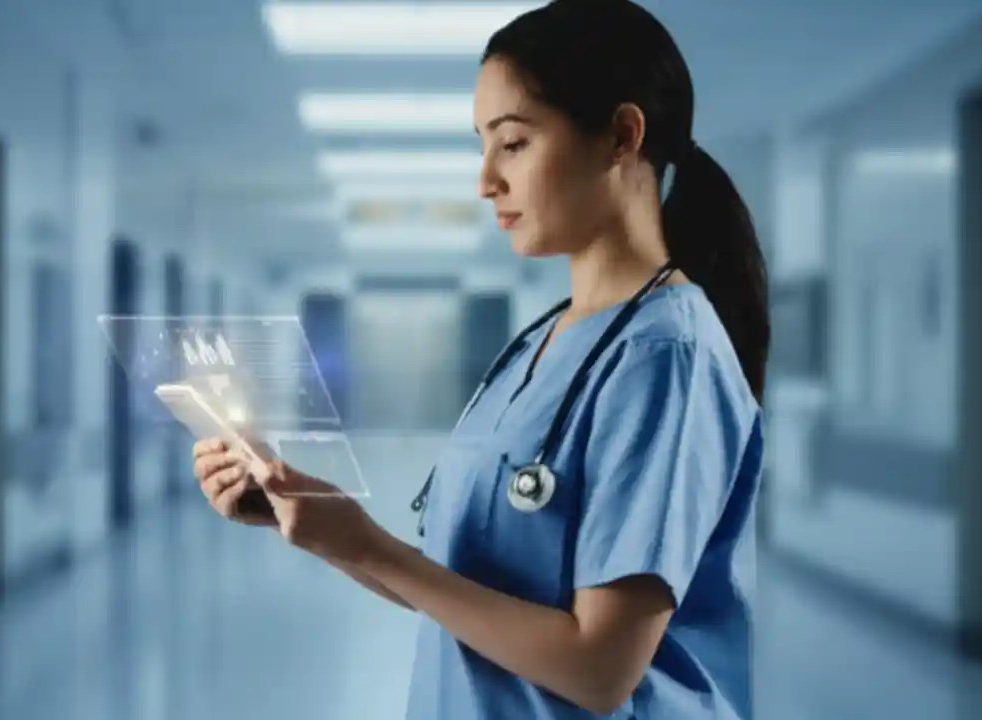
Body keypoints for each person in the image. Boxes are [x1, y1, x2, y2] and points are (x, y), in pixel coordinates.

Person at [192, 0, 769, 717]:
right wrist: (314, 526)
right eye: (482, 146)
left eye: (514, 144)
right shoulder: (540, 343)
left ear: (621, 135)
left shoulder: (666, 356)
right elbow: (465, 600)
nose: (485, 180)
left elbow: (600, 670)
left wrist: (369, 545)